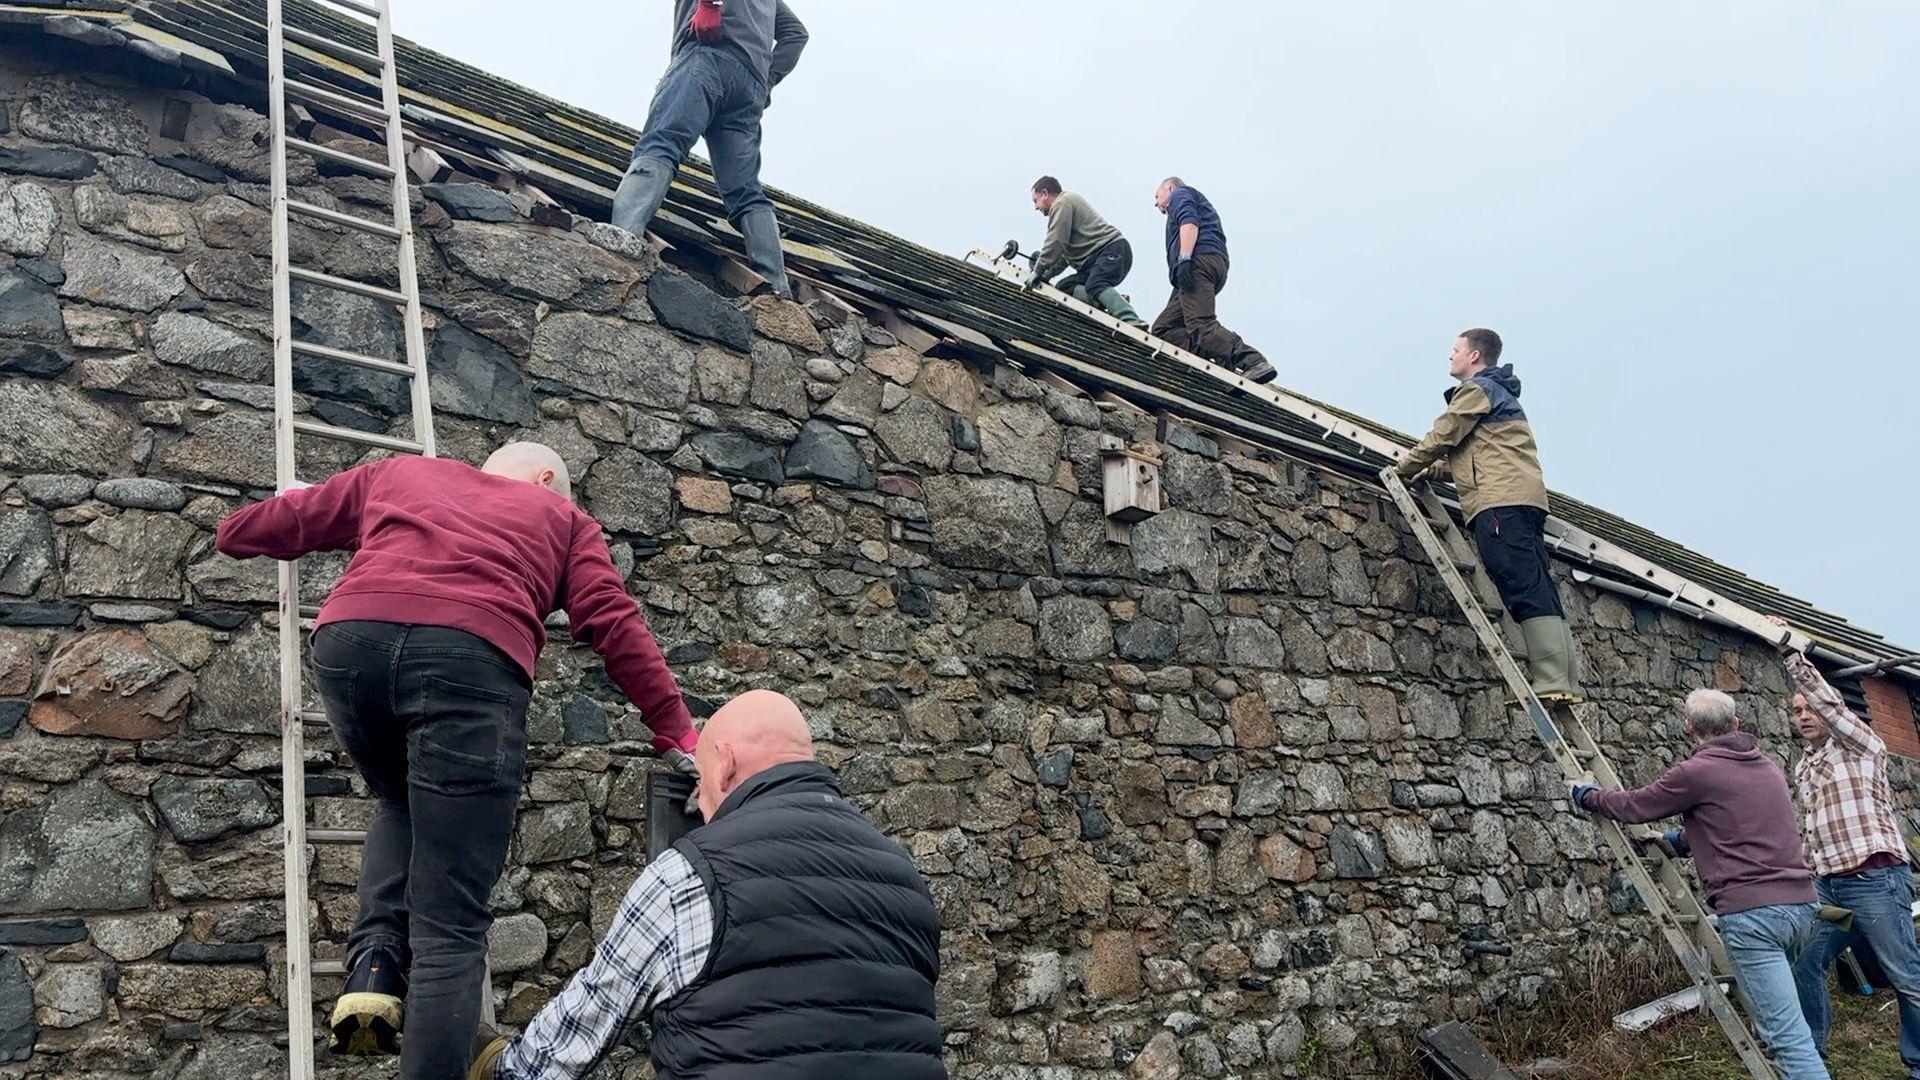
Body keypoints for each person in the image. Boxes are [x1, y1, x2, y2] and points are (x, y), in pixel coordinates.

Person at [215, 443, 697, 1080]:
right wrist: (675, 727)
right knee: (451, 925)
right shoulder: (564, 519)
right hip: (470, 661)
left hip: (351, 642)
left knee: (398, 800)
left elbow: (272, 524)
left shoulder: (398, 472)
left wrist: (245, 526)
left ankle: (376, 964)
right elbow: (611, 619)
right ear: (547, 478)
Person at [470, 689, 945, 1079]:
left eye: (700, 786)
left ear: (723, 763)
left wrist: (494, 1063)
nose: (700, 805)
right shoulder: (904, 875)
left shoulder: (690, 874)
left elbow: (584, 1023)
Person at [1570, 689, 1829, 1080]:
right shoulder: (1767, 767)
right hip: (1802, 908)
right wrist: (1678, 842)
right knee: (1783, 1026)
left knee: (1788, 1039)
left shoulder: (1697, 772)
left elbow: (1635, 805)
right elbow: (1736, 824)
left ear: (1688, 726)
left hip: (1754, 915)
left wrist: (1587, 795)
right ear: (1736, 724)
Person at [1390, 328, 1581, 698]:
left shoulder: (1477, 390)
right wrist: (1429, 471)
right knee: (1537, 584)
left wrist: (1403, 467)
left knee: (1519, 584)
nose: (1451, 355)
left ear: (1474, 356)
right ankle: (1564, 680)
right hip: (1520, 498)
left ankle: (1551, 680)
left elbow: (1443, 435)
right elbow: (1474, 458)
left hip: (1499, 503)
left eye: (1456, 349)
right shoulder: (1498, 393)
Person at [1779, 623, 1920, 1078]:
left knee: (1905, 975)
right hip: (1830, 887)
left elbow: (1834, 708)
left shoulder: (1863, 747)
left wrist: (1793, 657)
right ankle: (1811, 1057)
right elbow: (1811, 827)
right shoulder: (1804, 766)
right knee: (1805, 959)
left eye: (1810, 708)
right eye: (1797, 711)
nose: (1804, 715)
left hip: (1876, 880)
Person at [611, 1, 809, 297]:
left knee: (662, 143)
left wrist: (708, 5)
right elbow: (796, 34)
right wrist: (766, 80)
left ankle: (621, 237)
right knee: (745, 190)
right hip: (749, 87)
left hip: (706, 56)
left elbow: (795, 33)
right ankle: (776, 286)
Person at [1149, 176, 1274, 383]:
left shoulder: (1180, 194)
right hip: (1207, 264)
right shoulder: (1190, 200)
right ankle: (1217, 357)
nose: (1156, 203)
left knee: (1201, 326)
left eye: (1157, 196)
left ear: (1170, 189)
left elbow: (1189, 223)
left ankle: (1252, 361)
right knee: (1164, 329)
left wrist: (1184, 259)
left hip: (1197, 263)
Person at [1024, 176, 1146, 327]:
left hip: (1110, 250)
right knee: (1065, 287)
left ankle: (1131, 320)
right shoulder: (1065, 208)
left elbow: (1055, 242)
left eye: (1035, 201)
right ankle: (1111, 301)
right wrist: (1044, 276)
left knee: (1096, 283)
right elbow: (1062, 257)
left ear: (1045, 193)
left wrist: (1037, 271)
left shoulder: (1062, 203)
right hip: (1096, 261)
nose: (1036, 207)